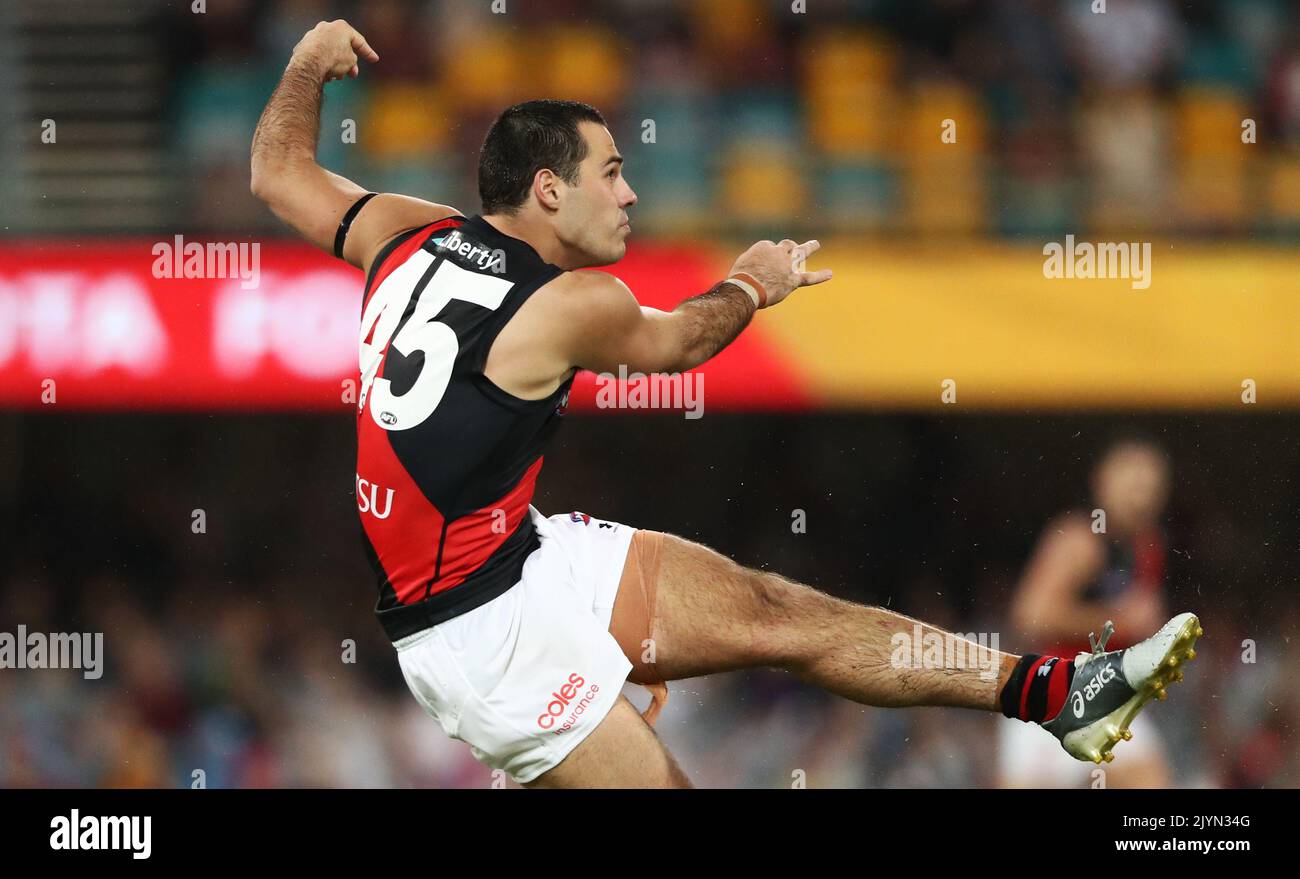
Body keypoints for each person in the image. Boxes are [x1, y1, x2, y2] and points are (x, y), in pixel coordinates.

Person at [249, 20, 1201, 788]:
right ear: (548, 190)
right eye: (611, 171)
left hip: (518, 551)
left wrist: (303, 66)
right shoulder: (573, 301)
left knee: (778, 610)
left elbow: (277, 172)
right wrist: (752, 284)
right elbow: (682, 342)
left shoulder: (404, 233)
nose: (630, 193)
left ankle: (1061, 694)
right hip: (475, 633)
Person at [1001, 437, 1178, 787]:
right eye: (1132, 483)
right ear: (1103, 482)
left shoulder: (1147, 545)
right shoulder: (1080, 539)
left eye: (1151, 486)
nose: (1141, 496)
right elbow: (1029, 615)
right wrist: (1119, 619)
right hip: (1049, 694)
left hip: (1106, 694)